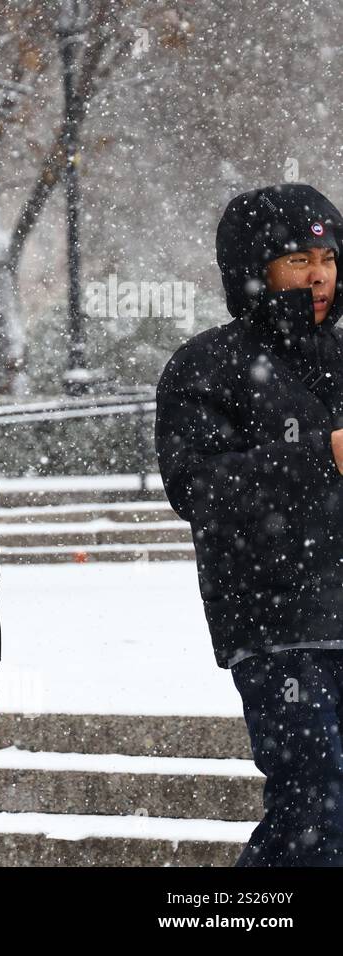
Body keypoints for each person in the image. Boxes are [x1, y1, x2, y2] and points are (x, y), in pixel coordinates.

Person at [156, 183, 343, 867]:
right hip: (277, 625)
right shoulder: (207, 365)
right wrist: (319, 457)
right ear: (253, 270)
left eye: (326, 253)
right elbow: (197, 486)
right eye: (297, 258)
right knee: (314, 807)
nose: (319, 270)